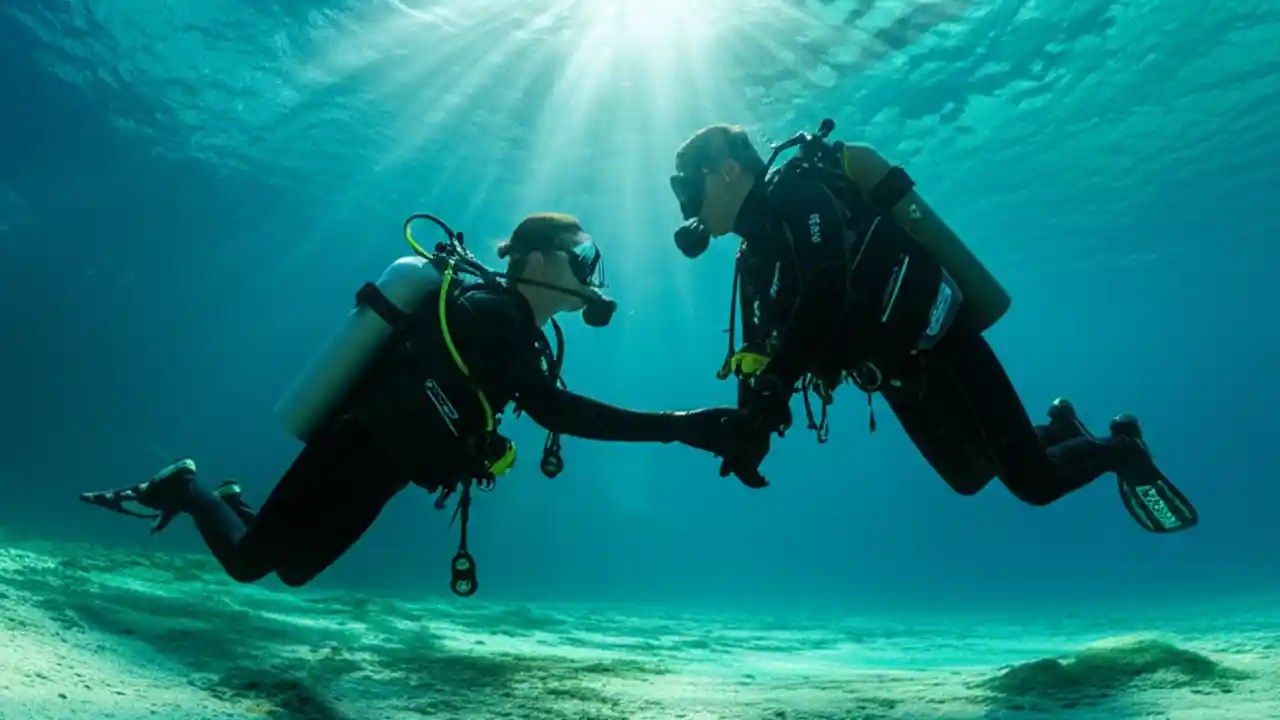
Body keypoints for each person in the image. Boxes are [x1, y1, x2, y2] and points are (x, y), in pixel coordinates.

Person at [81, 211, 762, 596]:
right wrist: (680, 427)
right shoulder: (495, 312)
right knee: (252, 564)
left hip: (390, 467)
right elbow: (557, 411)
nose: (590, 268)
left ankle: (227, 496)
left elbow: (536, 403)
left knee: (290, 570)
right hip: (359, 442)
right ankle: (190, 485)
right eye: (579, 252)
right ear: (533, 259)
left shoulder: (524, 333)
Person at [665, 118, 1198, 533]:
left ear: (727, 170)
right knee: (969, 477)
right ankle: (1059, 430)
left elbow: (828, 285)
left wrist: (778, 386)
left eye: (689, 187)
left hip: (942, 339)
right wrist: (749, 431)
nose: (686, 205)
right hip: (892, 371)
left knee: (1034, 483)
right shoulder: (754, 257)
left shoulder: (798, 193)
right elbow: (756, 353)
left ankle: (1122, 447)